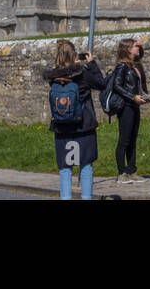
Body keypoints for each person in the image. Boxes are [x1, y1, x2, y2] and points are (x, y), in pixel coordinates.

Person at [43, 40, 105, 200]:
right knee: (85, 164)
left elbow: (64, 70)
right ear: (75, 54)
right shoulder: (83, 73)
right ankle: (86, 197)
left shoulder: (53, 76)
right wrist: (91, 64)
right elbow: (101, 83)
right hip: (83, 125)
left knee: (65, 167)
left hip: (61, 126)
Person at [111, 38, 149, 180]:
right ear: (128, 49)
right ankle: (122, 172)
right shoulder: (122, 66)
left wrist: (141, 98)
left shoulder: (135, 64)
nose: (137, 49)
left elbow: (141, 54)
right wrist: (133, 97)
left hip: (135, 106)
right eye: (135, 47)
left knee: (133, 139)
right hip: (126, 106)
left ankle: (132, 171)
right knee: (124, 139)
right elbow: (117, 85)